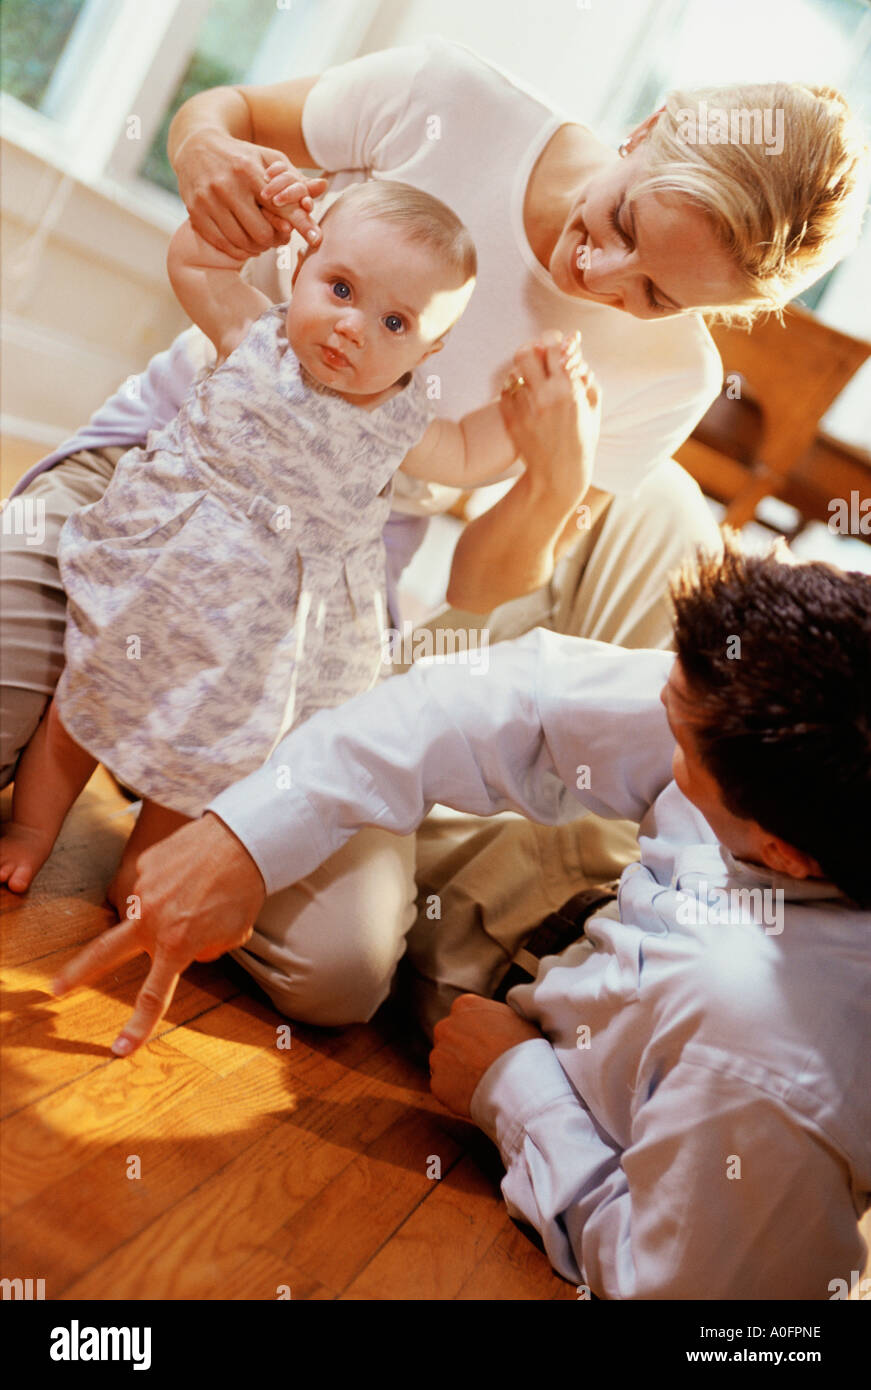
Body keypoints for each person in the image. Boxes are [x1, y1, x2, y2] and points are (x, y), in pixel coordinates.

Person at [4, 37, 868, 1022]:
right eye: (623, 220)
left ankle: (159, 765)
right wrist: (209, 153)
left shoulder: (669, 378)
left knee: (338, 971)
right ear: (649, 127)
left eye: (656, 293)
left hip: (321, 586)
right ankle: (95, 724)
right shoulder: (453, 101)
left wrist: (552, 482)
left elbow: (480, 588)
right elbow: (227, 114)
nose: (598, 269)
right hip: (166, 473)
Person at [51, 538, 871, 1298]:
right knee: (656, 496)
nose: (665, 739)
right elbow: (521, 700)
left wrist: (513, 1090)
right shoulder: (793, 735)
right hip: (593, 873)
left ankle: (248, 727)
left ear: (784, 852)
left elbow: (691, 1302)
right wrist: (244, 835)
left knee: (334, 962)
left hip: (508, 959)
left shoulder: (769, 1071)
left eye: (685, 753)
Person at [2, 177, 589, 892]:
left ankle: (144, 881)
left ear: (428, 353)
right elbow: (193, 263)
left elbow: (469, 453)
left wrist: (533, 401)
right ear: (300, 264)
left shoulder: (400, 421)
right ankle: (31, 830)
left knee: (205, 761)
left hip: (260, 632)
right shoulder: (256, 335)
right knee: (86, 697)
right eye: (340, 289)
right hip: (166, 573)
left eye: (394, 324)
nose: (352, 327)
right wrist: (249, 223)